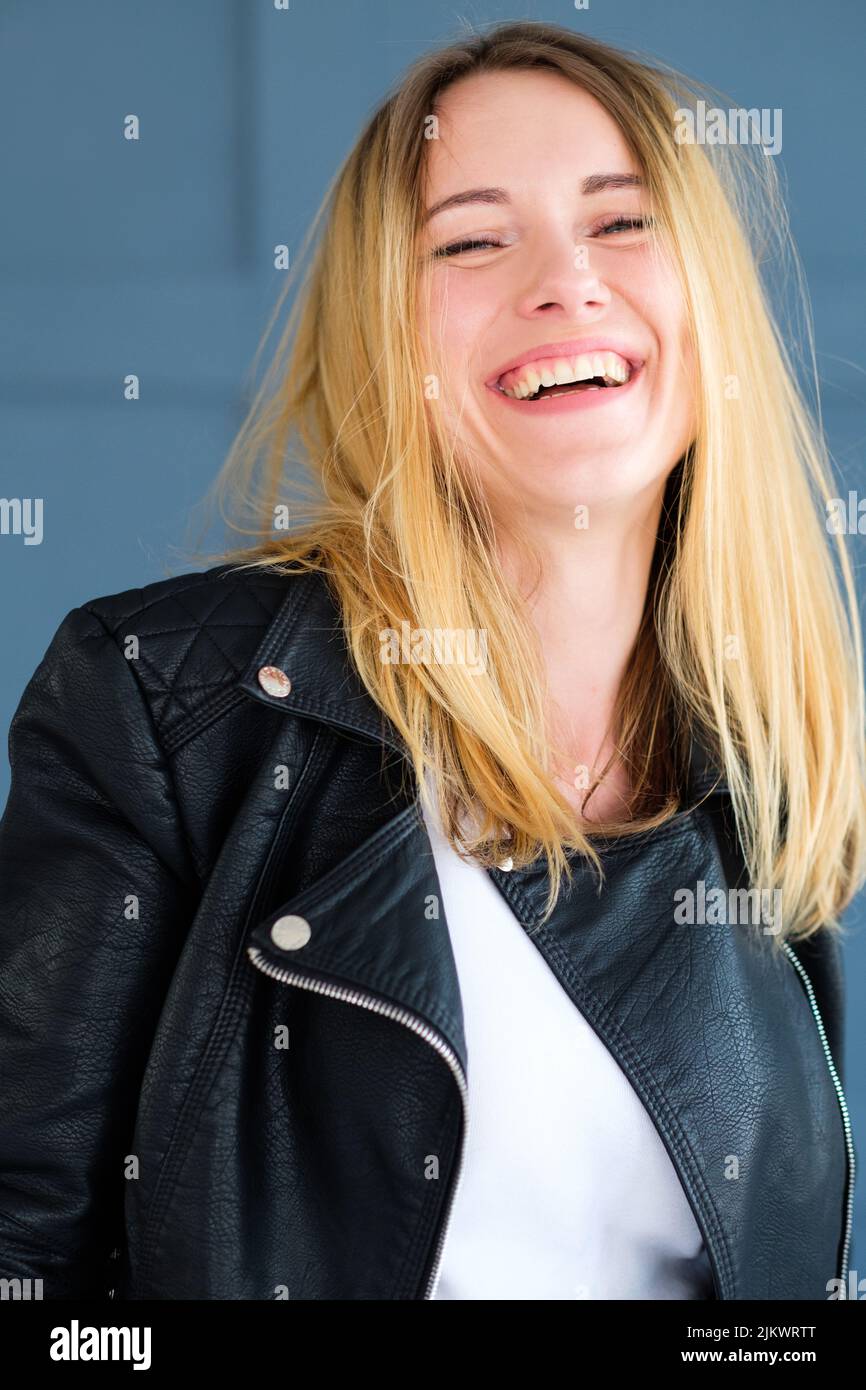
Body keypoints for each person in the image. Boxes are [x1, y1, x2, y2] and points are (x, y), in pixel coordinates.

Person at [0, 20, 863, 1302]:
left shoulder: (763, 758)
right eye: (469, 239)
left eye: (620, 222)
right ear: (387, 339)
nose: (564, 280)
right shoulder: (165, 697)